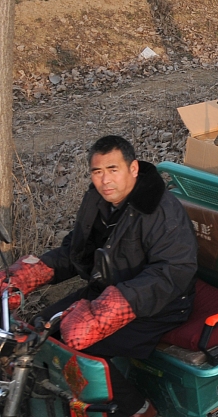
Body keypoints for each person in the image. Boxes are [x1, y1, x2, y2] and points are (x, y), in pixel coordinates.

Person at [4, 136, 197, 417]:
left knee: (79, 353)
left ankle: (138, 410)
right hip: (106, 292)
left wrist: (113, 306)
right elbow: (78, 250)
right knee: (37, 332)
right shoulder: (100, 200)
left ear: (133, 169)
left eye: (113, 169)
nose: (105, 180)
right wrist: (31, 273)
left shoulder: (160, 211)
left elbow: (173, 271)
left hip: (158, 306)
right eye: (97, 172)